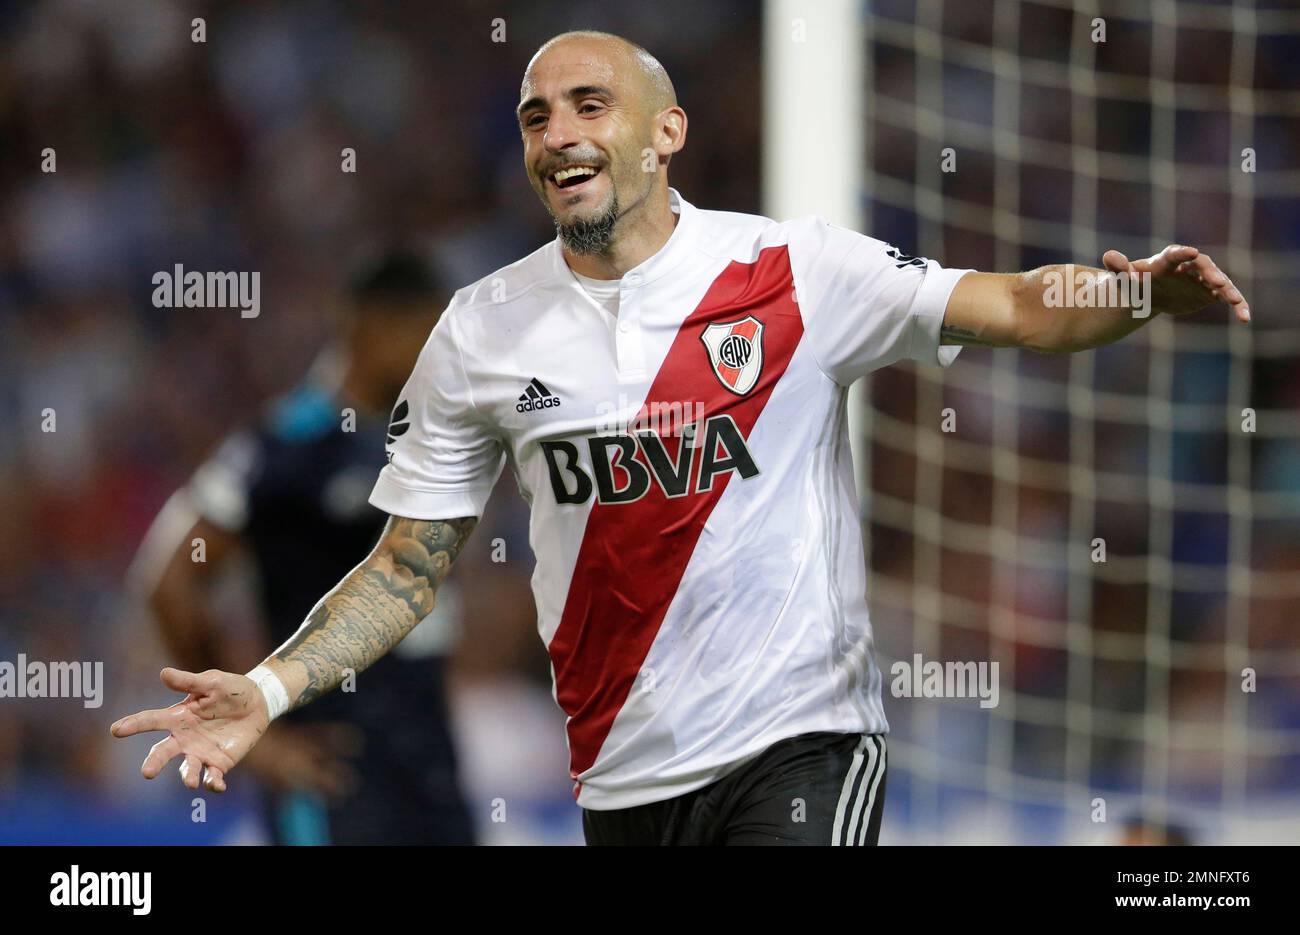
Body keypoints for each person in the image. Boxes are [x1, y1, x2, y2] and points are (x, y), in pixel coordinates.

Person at [111, 31, 1250, 846]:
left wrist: (1135, 296)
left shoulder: (792, 268)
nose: (557, 131)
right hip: (621, 773)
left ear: (667, 131)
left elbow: (1006, 302)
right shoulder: (481, 329)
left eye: (588, 105)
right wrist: (265, 688)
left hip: (800, 738)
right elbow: (408, 567)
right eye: (535, 115)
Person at [129, 251, 475, 845]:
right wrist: (249, 734)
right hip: (332, 766)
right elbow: (170, 580)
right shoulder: (288, 444)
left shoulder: (420, 443)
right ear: (371, 325)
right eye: (430, 332)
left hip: (428, 766)